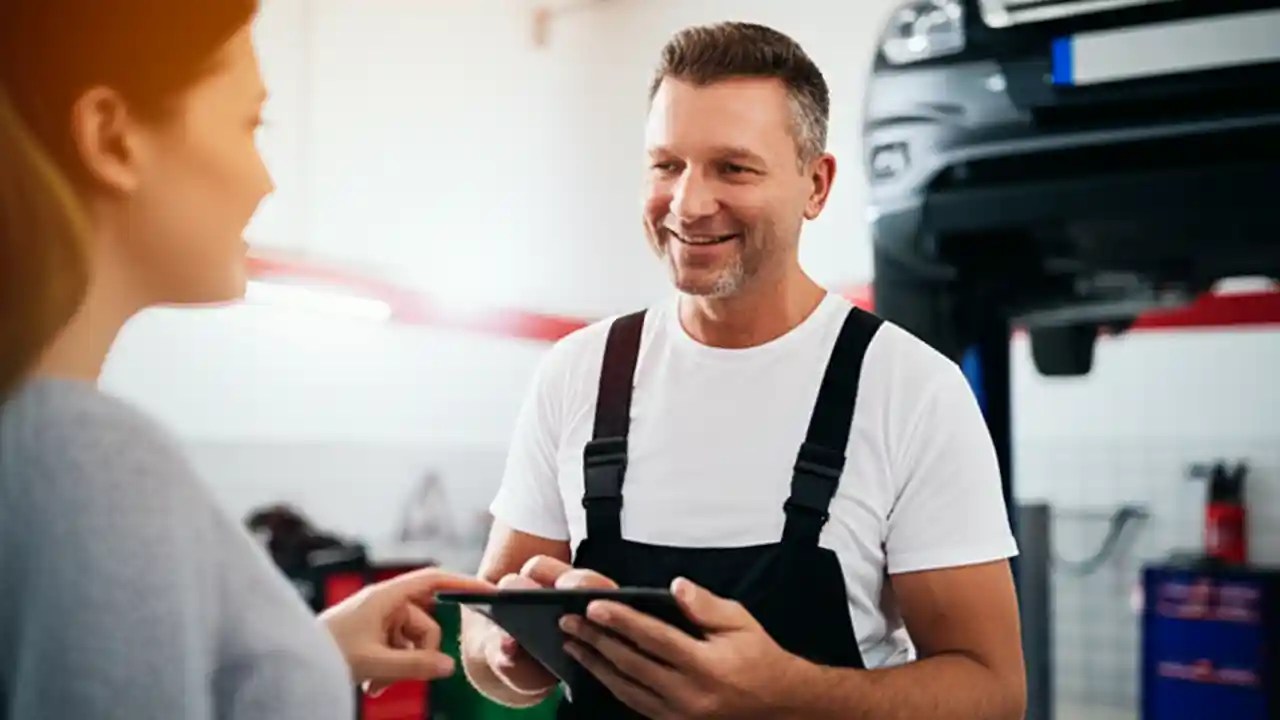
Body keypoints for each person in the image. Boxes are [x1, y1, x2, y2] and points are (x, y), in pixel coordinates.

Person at [461, 21, 1027, 719]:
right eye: (667, 164)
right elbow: (485, 621)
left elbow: (993, 690)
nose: (689, 204)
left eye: (733, 168)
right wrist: (508, 652)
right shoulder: (578, 373)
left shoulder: (911, 391)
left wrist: (790, 696)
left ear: (815, 185)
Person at [0, 2, 493, 718]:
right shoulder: (87, 455)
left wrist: (287, 657)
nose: (265, 181)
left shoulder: (34, 436)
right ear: (112, 137)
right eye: (249, 124)